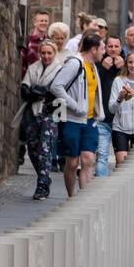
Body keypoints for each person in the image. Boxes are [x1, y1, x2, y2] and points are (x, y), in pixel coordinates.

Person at [50, 32, 105, 197]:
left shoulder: (93, 66)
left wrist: (97, 113)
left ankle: (83, 200)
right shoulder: (75, 63)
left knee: (88, 159)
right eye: (102, 48)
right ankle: (71, 197)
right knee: (72, 163)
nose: (104, 52)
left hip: (89, 120)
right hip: (72, 120)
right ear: (94, 49)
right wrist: (75, 106)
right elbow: (56, 86)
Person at [18, 39, 63, 199]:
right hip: (32, 111)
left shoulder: (60, 69)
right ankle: (43, 176)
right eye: (43, 53)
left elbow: (53, 90)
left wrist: (38, 91)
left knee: (45, 149)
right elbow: (25, 89)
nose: (46, 56)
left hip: (50, 112)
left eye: (49, 53)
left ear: (54, 53)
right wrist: (35, 92)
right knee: (32, 148)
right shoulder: (33, 68)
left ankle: (42, 185)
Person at [95, 36, 125, 176]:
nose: (113, 49)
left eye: (116, 46)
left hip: (121, 119)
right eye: (110, 46)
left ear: (121, 48)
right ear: (106, 48)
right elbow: (92, 86)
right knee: (101, 156)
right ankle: (100, 188)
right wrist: (102, 69)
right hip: (104, 118)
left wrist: (123, 69)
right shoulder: (99, 62)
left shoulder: (127, 63)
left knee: (123, 160)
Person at [21, 9, 50, 76]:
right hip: (29, 81)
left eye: (46, 21)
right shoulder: (28, 41)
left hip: (45, 82)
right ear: (35, 23)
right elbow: (22, 63)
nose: (44, 23)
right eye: (41, 21)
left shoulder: (50, 42)